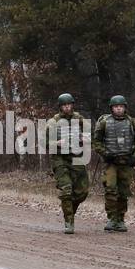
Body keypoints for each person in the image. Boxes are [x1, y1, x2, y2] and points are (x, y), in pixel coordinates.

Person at [92, 94, 135, 232]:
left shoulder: (133, 122)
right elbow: (96, 141)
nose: (119, 109)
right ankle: (112, 219)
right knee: (110, 189)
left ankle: (120, 219)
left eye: (121, 106)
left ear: (125, 108)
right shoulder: (104, 122)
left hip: (126, 161)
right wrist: (104, 153)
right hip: (111, 162)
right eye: (116, 107)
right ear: (111, 108)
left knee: (123, 192)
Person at [46, 93, 90, 233]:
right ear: (60, 106)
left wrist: (86, 138)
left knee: (82, 192)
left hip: (77, 158)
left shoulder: (80, 119)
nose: (67, 107)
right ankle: (69, 222)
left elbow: (92, 134)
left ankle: (69, 210)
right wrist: (56, 142)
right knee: (66, 190)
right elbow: (42, 142)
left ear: (72, 105)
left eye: (69, 104)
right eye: (64, 105)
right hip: (60, 160)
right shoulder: (53, 122)